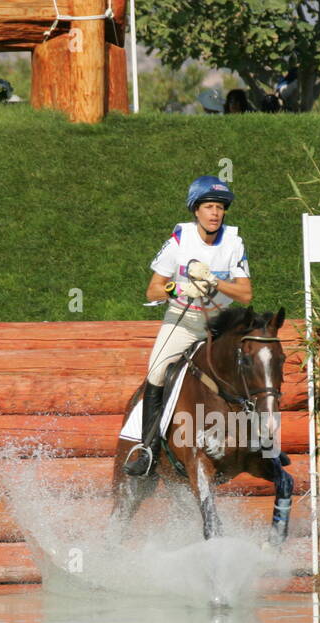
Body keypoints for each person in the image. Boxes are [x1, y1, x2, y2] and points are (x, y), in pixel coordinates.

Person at [123, 176, 253, 477]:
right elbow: (153, 290)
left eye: (220, 207)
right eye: (209, 206)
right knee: (157, 372)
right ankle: (148, 449)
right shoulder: (179, 241)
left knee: (252, 367)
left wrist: (215, 282)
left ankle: (253, 443)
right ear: (196, 210)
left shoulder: (234, 243)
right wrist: (178, 290)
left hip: (219, 324)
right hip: (184, 319)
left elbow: (245, 294)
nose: (215, 213)